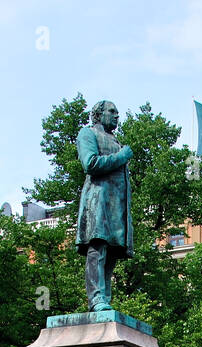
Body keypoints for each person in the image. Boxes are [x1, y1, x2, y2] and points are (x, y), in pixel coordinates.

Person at [76, 100, 134, 311]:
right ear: (99, 114)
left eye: (118, 112)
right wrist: (121, 157)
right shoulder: (88, 133)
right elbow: (90, 163)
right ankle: (96, 299)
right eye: (112, 111)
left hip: (116, 204)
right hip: (98, 200)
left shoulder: (116, 140)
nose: (117, 116)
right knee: (98, 247)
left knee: (111, 252)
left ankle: (105, 299)